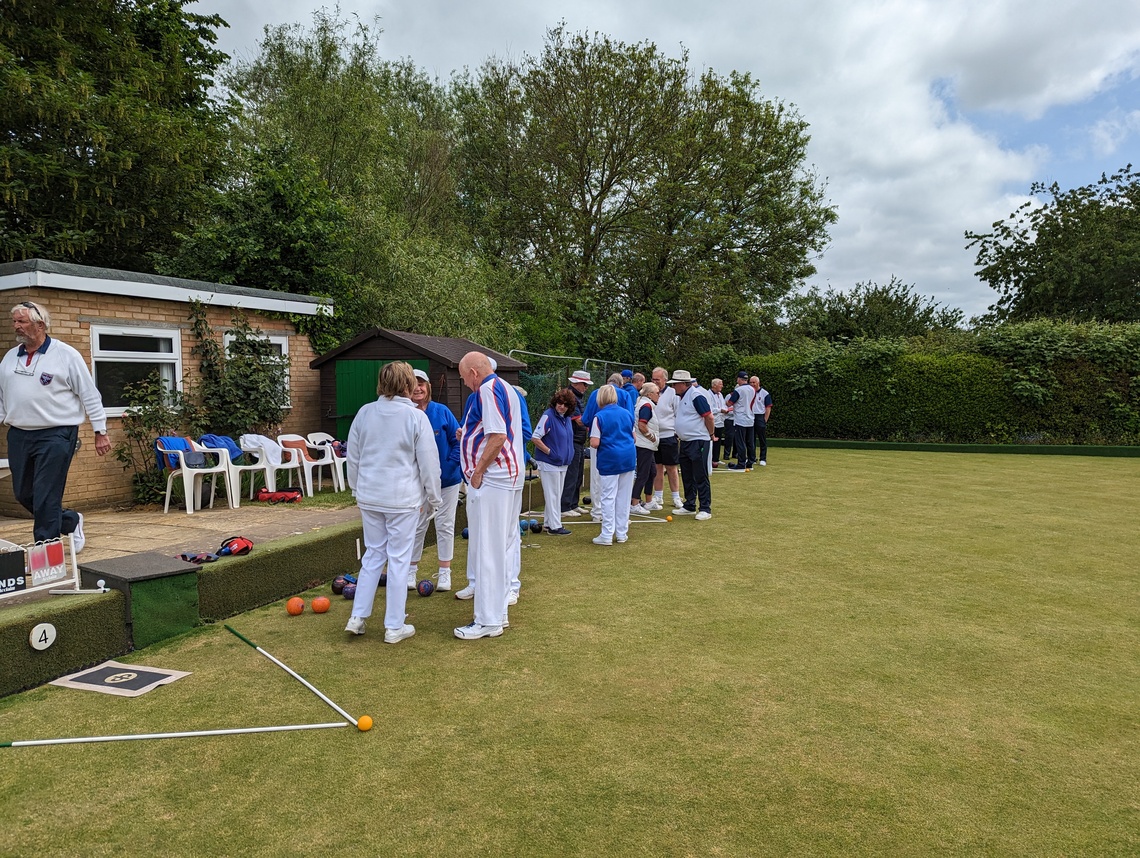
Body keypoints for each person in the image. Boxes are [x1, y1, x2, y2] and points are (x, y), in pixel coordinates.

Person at [0, 301, 110, 550]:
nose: (16, 326)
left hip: (56, 434)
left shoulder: (65, 354)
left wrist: (100, 430)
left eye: (22, 321)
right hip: (19, 434)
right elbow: (1, 397)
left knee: (46, 494)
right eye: (15, 321)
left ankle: (47, 553)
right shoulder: (10, 357)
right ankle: (70, 521)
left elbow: (89, 394)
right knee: (23, 493)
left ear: (40, 324)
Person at [345, 361, 442, 643]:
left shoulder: (365, 413)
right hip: (402, 500)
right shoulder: (415, 418)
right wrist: (434, 499)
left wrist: (356, 488)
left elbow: (354, 456)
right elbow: (428, 463)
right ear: (408, 385)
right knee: (399, 560)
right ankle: (394, 626)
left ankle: (358, 617)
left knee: (373, 555)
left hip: (370, 496)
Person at [455, 352, 524, 639]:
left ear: (473, 372)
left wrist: (478, 471)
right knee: (499, 547)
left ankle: (488, 620)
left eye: (463, 379)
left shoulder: (487, 389)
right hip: (507, 477)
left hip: (495, 479)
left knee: (487, 549)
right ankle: (499, 614)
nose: (466, 386)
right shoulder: (505, 387)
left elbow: (497, 435)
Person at [408, 368, 461, 592]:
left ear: (428, 387)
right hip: (416, 483)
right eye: (413, 384)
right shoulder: (405, 414)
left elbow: (459, 441)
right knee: (416, 527)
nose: (418, 388)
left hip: (447, 481)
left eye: (422, 383)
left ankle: (445, 573)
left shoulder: (442, 411)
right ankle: (410, 572)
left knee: (445, 525)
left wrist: (447, 467)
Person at [588, 383, 636, 546]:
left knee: (608, 497)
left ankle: (607, 534)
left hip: (610, 459)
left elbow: (594, 442)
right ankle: (622, 533)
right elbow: (634, 437)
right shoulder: (627, 414)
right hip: (628, 457)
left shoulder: (599, 417)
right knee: (624, 496)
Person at [669, 370, 714, 520]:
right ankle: (689, 505)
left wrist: (711, 435)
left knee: (700, 475)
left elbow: (709, 416)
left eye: (675, 384)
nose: (673, 386)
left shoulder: (696, 396)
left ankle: (705, 508)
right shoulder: (682, 397)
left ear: (683, 384)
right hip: (686, 441)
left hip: (698, 440)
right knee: (687, 474)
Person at [532, 388, 576, 535]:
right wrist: (550, 452)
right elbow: (535, 437)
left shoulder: (567, 418)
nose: (561, 406)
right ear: (555, 402)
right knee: (553, 494)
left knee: (556, 493)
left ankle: (548, 522)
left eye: (565, 404)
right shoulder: (548, 416)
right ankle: (555, 526)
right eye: (559, 403)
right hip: (549, 462)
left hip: (563, 462)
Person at [559, 370, 592, 519]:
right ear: (577, 383)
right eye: (584, 384)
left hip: (578, 439)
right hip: (571, 440)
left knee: (578, 474)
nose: (586, 387)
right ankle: (565, 505)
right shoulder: (569, 396)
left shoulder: (577, 396)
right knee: (572, 474)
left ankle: (573, 504)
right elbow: (579, 420)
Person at [649, 366, 680, 511]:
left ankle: (676, 497)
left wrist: (677, 432)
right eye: (653, 379)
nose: (655, 382)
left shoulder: (673, 393)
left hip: (668, 435)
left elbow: (678, 413)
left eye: (658, 379)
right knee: (657, 468)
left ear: (665, 380)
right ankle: (658, 495)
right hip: (654, 436)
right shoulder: (649, 392)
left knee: (672, 468)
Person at [630, 382, 660, 515]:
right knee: (643, 473)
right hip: (644, 445)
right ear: (650, 394)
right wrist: (651, 436)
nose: (659, 395)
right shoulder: (646, 405)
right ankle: (634, 503)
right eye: (657, 393)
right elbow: (642, 425)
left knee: (652, 472)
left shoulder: (646, 404)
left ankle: (648, 501)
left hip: (647, 445)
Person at [725, 371, 756, 470]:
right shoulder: (752, 389)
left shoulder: (738, 390)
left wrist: (726, 402)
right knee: (750, 442)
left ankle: (741, 463)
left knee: (740, 442)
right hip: (750, 418)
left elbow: (729, 403)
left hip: (740, 419)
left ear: (739, 379)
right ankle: (750, 462)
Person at [750, 376, 774, 467]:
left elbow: (768, 408)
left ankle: (763, 458)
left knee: (762, 439)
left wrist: (765, 420)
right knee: (750, 439)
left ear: (758, 383)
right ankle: (752, 458)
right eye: (751, 382)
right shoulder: (749, 392)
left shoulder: (765, 393)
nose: (752, 384)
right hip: (751, 416)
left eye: (754, 382)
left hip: (760, 416)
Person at [709, 378, 727, 467]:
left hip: (720, 421)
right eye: (720, 384)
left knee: (718, 441)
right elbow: (710, 409)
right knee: (712, 440)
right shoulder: (708, 394)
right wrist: (720, 410)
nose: (722, 386)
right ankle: (710, 459)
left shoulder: (720, 394)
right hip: (713, 421)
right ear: (714, 385)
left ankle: (716, 459)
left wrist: (726, 410)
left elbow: (723, 405)